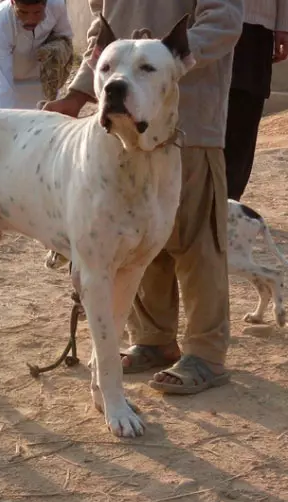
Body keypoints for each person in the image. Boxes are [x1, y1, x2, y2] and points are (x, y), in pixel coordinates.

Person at [43, 0, 245, 395]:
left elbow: (224, 21)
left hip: (188, 124)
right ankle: (154, 340)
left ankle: (206, 354)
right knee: (136, 239)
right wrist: (80, 91)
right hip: (120, 134)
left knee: (197, 241)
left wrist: (170, 60)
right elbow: (101, 35)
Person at [224, 0, 288, 200]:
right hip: (213, 22)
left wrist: (283, 27)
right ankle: (208, 199)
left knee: (246, 115)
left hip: (258, 28)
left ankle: (230, 199)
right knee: (212, 114)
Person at [0, 0, 74, 110]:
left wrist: (54, 52)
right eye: (23, 12)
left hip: (34, 68)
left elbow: (65, 37)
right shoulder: (1, 19)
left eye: (37, 12)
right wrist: (4, 119)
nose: (30, 20)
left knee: (39, 117)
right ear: (13, 3)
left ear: (45, 4)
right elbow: (0, 77)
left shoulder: (56, 5)